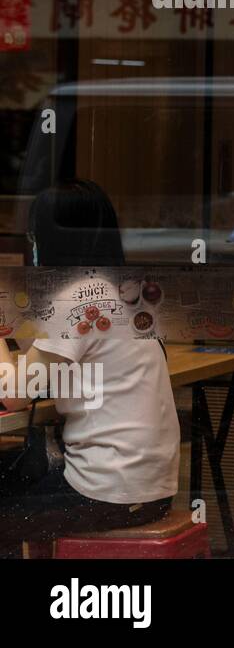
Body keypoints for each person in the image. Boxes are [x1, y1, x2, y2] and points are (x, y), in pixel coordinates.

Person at [0, 180, 180, 554]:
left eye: (34, 235)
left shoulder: (78, 300)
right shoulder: (126, 292)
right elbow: (47, 358)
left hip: (105, 493)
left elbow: (15, 396)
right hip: (152, 491)